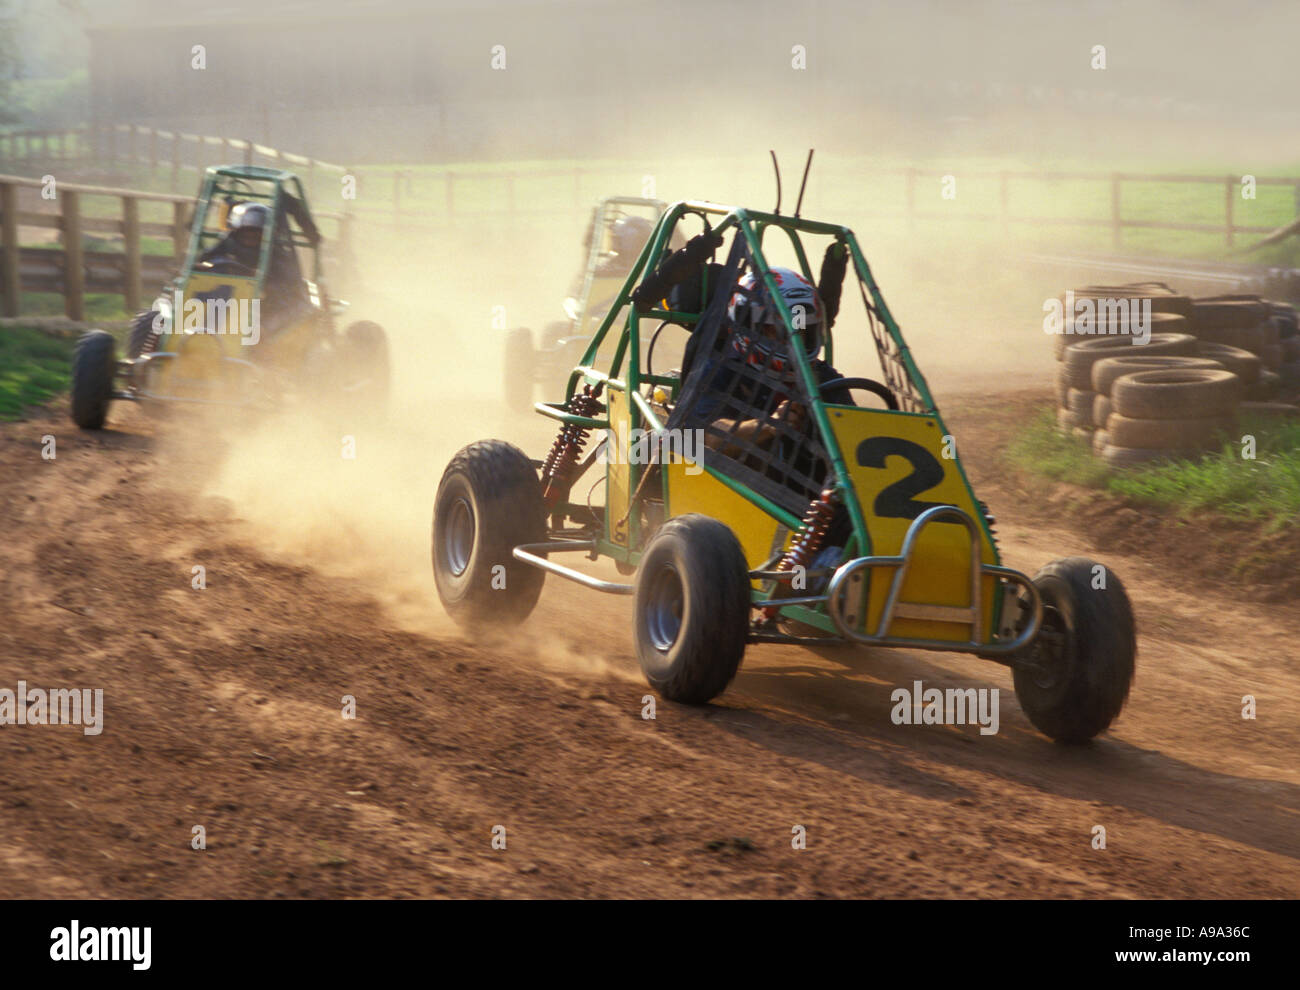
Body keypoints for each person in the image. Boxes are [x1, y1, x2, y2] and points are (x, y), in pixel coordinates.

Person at [697, 266, 854, 455]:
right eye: (779, 332)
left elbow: (859, 438)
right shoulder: (722, 369)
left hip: (816, 482)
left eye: (801, 332)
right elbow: (706, 437)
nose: (793, 341)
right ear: (748, 327)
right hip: (741, 478)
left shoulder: (826, 378)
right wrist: (767, 426)